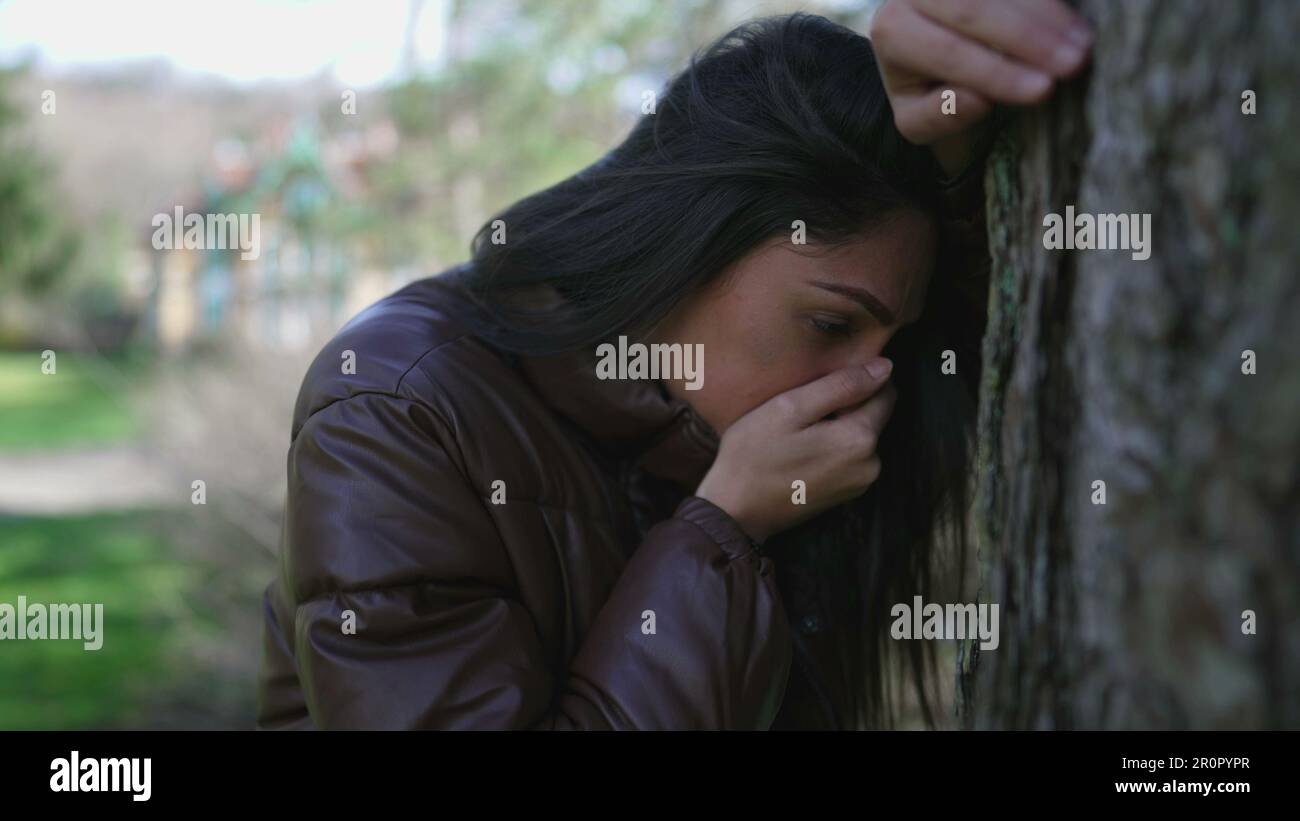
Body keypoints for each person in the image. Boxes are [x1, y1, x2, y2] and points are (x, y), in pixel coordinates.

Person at [257, 1, 1091, 730]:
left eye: (891, 343)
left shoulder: (784, 422)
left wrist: (967, 150)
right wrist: (724, 530)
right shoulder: (397, 409)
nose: (865, 393)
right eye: (831, 322)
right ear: (690, 244)